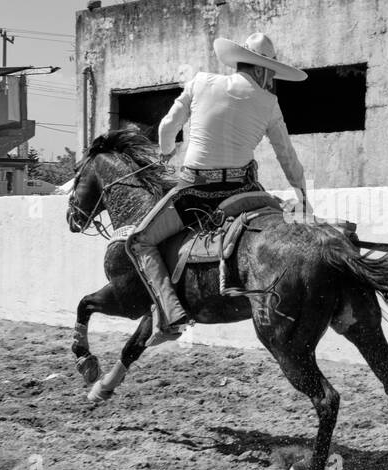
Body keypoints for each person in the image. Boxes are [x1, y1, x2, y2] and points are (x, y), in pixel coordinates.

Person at [126, 32, 309, 345]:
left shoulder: (200, 82)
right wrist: (303, 194)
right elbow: (286, 155)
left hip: (196, 191)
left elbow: (167, 126)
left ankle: (172, 316)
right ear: (264, 69)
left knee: (139, 241)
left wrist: (166, 149)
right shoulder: (269, 102)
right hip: (243, 190)